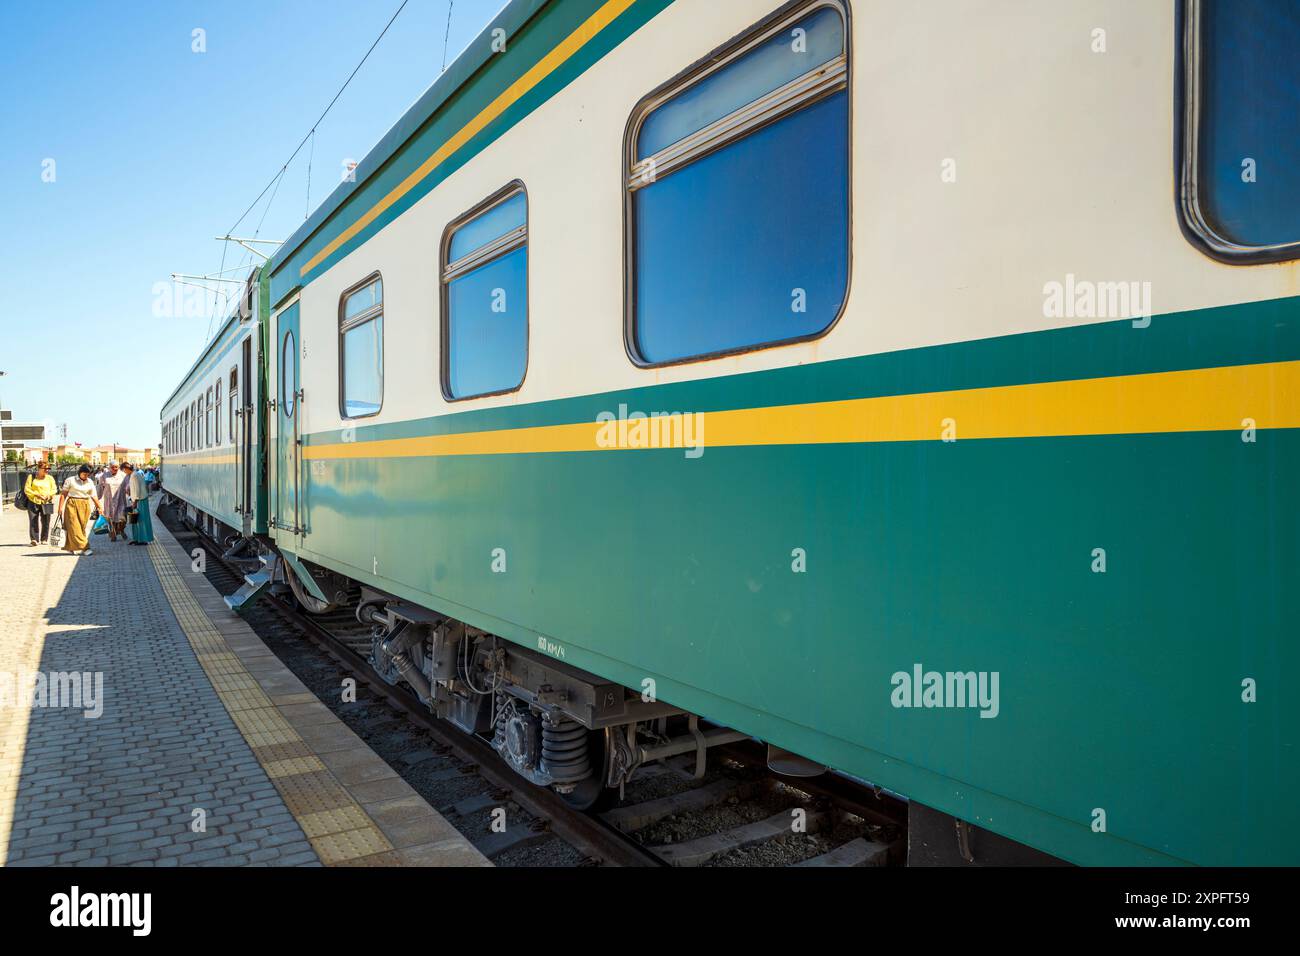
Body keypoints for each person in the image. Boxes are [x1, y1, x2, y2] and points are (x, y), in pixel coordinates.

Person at [58, 464, 103, 556]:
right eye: (84, 474)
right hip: (72, 504)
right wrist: (60, 508)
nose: (86, 476)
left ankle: (71, 546)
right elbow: (63, 494)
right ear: (80, 472)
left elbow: (93, 495)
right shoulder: (70, 480)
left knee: (81, 527)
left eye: (88, 474)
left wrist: (99, 507)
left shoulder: (90, 481)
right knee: (74, 526)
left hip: (85, 505)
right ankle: (85, 547)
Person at [23, 461, 57, 546]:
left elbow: (54, 489)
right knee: (33, 520)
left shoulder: (50, 478)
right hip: (33, 501)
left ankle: (44, 539)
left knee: (46, 521)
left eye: (48, 469)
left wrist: (49, 496)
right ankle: (34, 539)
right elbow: (27, 489)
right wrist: (37, 494)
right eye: (45, 468)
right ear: (39, 468)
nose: (47, 470)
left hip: (46, 502)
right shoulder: (31, 477)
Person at [122, 462, 154, 546]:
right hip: (139, 500)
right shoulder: (135, 474)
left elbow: (137, 490)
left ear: (126, 469)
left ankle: (143, 540)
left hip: (140, 500)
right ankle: (137, 538)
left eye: (124, 470)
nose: (124, 472)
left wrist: (134, 502)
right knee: (135, 520)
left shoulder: (134, 475)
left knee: (141, 520)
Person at [96, 460, 129, 542]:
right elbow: (100, 487)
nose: (115, 468)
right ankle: (113, 533)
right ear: (109, 467)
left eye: (116, 467)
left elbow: (128, 486)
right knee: (112, 518)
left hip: (121, 499)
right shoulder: (104, 476)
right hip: (109, 500)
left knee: (123, 518)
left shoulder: (123, 475)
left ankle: (121, 530)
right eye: (113, 467)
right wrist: (97, 499)